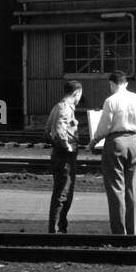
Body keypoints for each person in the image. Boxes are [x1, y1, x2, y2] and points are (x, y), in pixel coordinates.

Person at [88, 70, 136, 235]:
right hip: (134, 142)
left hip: (116, 143)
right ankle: (132, 230)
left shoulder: (110, 100)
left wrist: (94, 141)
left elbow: (104, 127)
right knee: (131, 188)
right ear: (126, 83)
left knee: (116, 188)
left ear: (112, 84)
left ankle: (119, 232)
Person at [44, 80, 83, 233]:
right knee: (63, 193)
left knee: (62, 191)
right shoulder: (65, 108)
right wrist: (67, 147)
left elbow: (46, 131)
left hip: (58, 154)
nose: (80, 97)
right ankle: (55, 229)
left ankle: (60, 227)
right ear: (76, 93)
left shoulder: (57, 107)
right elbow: (60, 130)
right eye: (80, 94)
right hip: (65, 156)